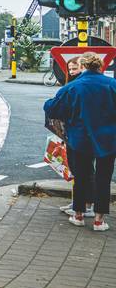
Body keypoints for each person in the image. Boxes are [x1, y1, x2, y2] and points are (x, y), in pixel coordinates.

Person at [44, 52, 116, 232]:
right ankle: (99, 220)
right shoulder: (112, 85)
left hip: (79, 139)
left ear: (82, 66)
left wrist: (48, 103)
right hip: (108, 140)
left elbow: (53, 110)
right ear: (101, 66)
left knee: (82, 176)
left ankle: (78, 215)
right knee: (103, 179)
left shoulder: (72, 87)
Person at [54, 58, 95, 217]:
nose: (72, 73)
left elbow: (55, 107)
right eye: (70, 69)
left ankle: (86, 207)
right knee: (80, 170)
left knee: (84, 171)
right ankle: (79, 204)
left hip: (79, 135)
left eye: (75, 69)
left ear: (83, 68)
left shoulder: (74, 87)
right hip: (77, 135)